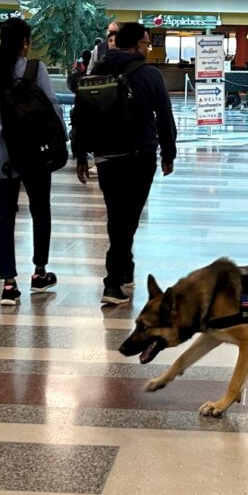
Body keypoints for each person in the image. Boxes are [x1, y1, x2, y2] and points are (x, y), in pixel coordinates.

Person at [72, 22, 176, 306]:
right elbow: (165, 116)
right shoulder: (149, 74)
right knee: (125, 219)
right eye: (146, 43)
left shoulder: (98, 70)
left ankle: (125, 268)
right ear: (137, 45)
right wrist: (169, 153)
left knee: (118, 215)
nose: (148, 48)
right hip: (139, 156)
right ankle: (112, 283)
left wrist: (80, 154)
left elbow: (81, 114)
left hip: (106, 155)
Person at [0, 18, 62, 306]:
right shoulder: (36, 69)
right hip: (35, 150)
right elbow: (52, 107)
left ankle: (9, 283)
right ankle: (39, 271)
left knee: (3, 215)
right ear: (25, 42)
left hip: (0, 153)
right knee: (40, 209)